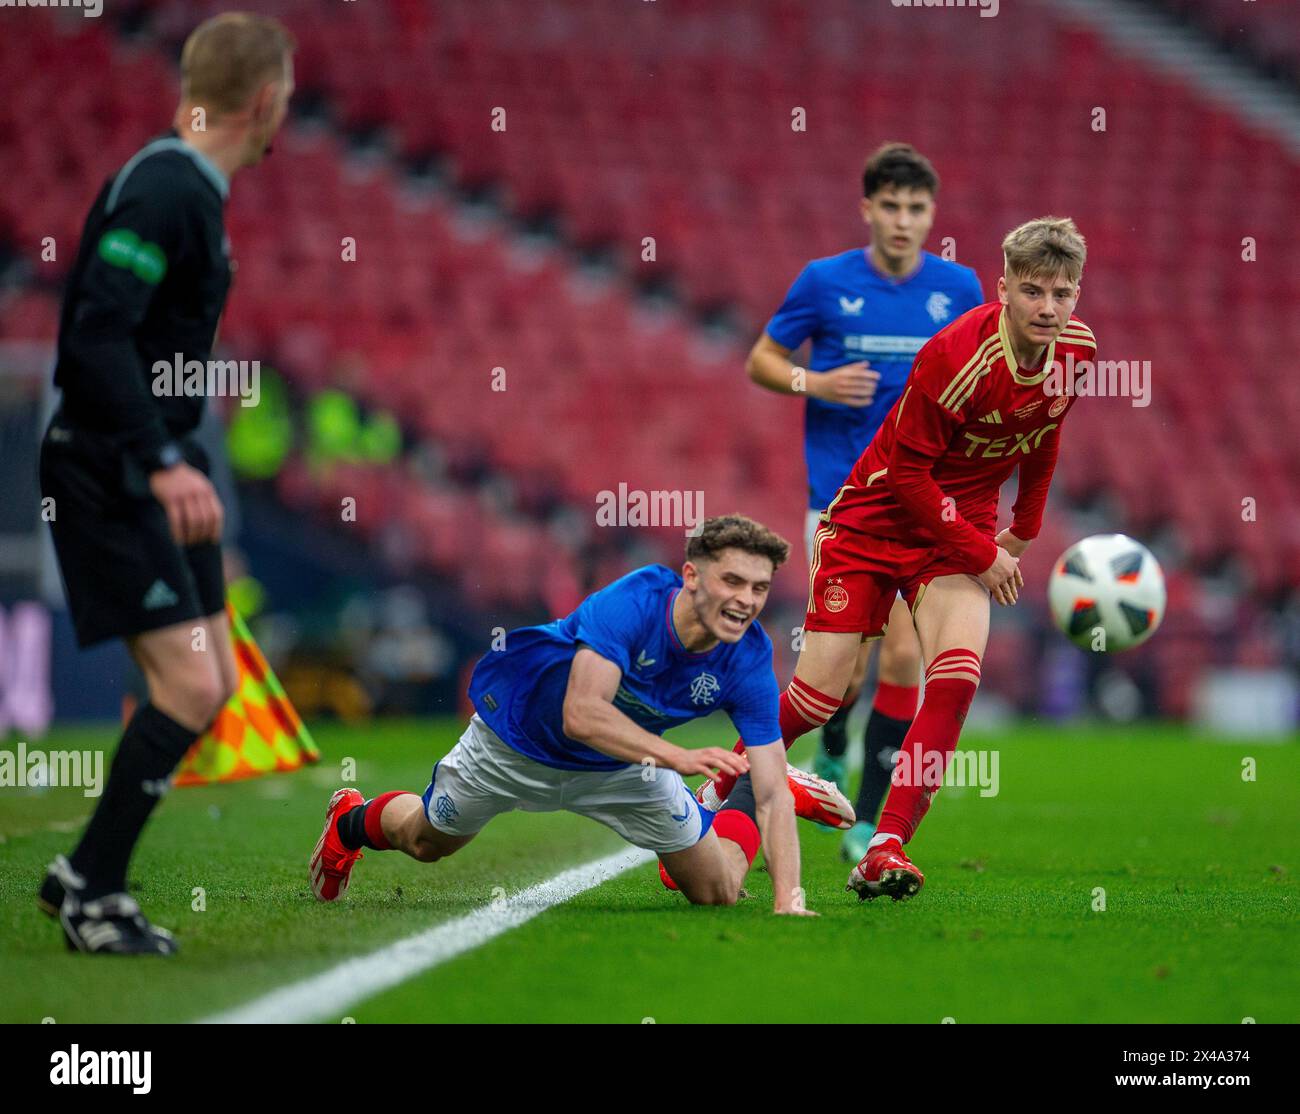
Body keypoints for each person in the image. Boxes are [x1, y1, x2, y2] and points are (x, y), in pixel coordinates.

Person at [707, 218, 1094, 901]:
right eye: (1032, 291)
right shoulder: (954, 355)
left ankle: (884, 847)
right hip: (874, 518)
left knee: (956, 680)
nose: (1047, 307)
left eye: (1061, 293)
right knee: (820, 693)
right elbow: (910, 478)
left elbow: (1044, 435)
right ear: (1002, 288)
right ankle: (718, 776)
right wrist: (983, 551)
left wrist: (1022, 532)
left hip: (957, 531)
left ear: (1076, 295)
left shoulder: (1077, 352)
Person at [36, 13, 296, 954]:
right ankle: (95, 896)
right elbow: (96, 335)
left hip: (147, 468)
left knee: (213, 681)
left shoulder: (187, 188)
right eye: (286, 101)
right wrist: (158, 459)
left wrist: (179, 458)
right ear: (263, 99)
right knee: (189, 690)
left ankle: (80, 872)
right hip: (110, 470)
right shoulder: (167, 190)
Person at [310, 516, 818, 915]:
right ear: (690, 576)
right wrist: (673, 755)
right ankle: (350, 822)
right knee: (424, 842)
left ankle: (737, 790)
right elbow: (582, 714)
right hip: (516, 742)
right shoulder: (634, 604)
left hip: (624, 767)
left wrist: (788, 901)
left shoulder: (749, 657)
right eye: (732, 581)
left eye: (759, 588)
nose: (745, 601)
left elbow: (775, 792)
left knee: (719, 892)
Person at [743, 143, 983, 862]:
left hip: (924, 507)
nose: (903, 221)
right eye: (891, 207)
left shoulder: (959, 288)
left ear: (931, 214)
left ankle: (865, 822)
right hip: (843, 504)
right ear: (868, 210)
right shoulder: (825, 282)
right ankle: (835, 748)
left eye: (916, 209)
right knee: (840, 671)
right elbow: (761, 361)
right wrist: (812, 385)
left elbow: (979, 381)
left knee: (906, 656)